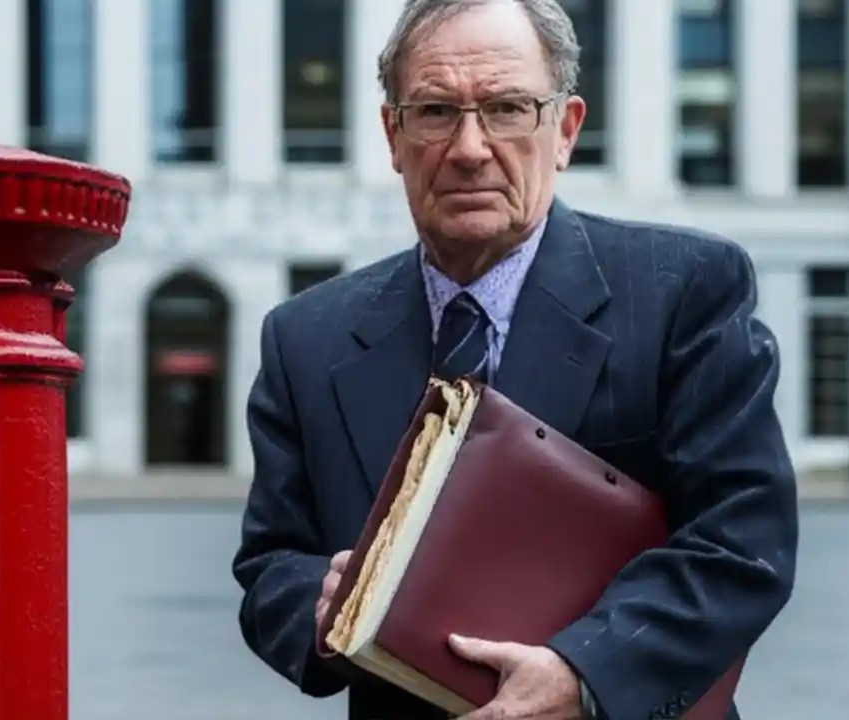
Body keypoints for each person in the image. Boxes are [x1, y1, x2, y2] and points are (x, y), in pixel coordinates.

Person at [231, 1, 799, 718]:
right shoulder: (304, 338)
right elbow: (269, 564)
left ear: (564, 130)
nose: (469, 148)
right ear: (393, 135)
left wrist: (582, 674)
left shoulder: (683, 290)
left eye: (506, 109)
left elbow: (742, 540)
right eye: (435, 112)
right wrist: (316, 607)